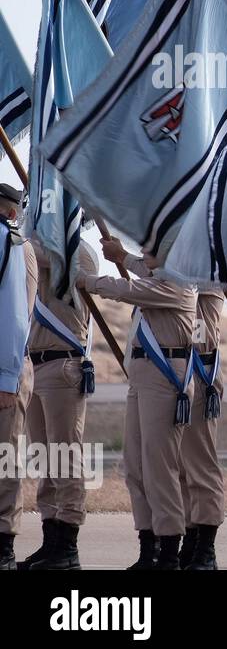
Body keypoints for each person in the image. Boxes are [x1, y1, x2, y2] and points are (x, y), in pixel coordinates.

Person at [83, 236, 197, 570]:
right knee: (136, 465)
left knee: (160, 468)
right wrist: (122, 255)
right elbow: (140, 269)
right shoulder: (159, 276)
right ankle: (148, 547)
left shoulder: (177, 284)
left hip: (166, 376)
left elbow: (127, 289)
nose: (144, 251)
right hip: (144, 373)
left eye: (150, 246)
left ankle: (169, 550)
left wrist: (84, 280)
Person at [16, 195, 98, 571]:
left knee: (66, 456)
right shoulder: (30, 251)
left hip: (64, 363)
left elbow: (59, 265)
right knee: (44, 458)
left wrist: (27, 235)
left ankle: (68, 543)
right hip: (36, 363)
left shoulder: (80, 252)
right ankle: (51, 539)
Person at [0, 183, 36, 571]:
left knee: (4, 460)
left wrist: (7, 379)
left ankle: (4, 546)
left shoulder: (10, 244)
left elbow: (13, 314)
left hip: (3, 370)